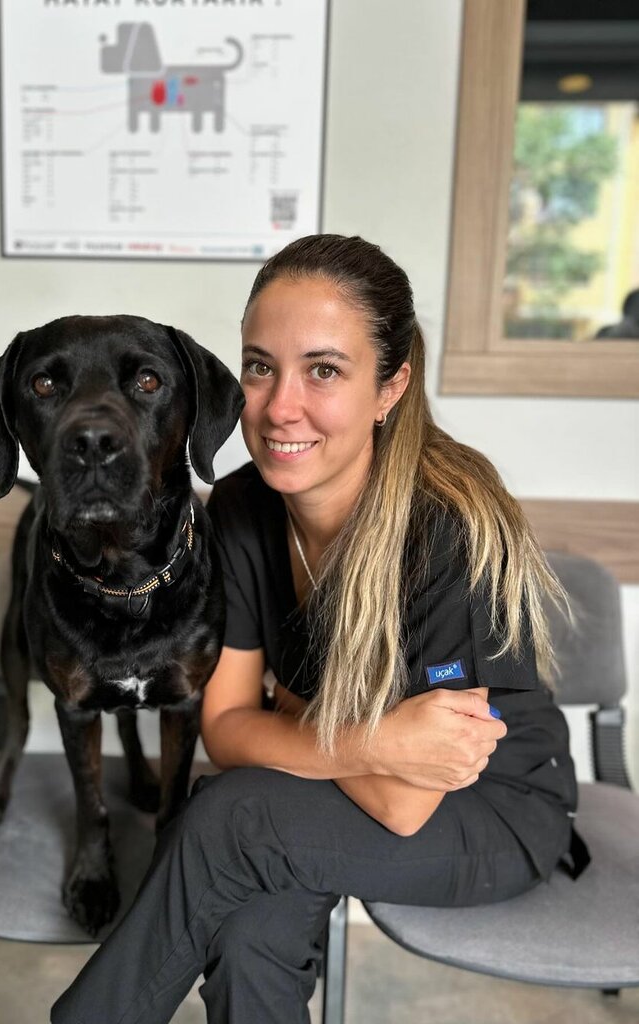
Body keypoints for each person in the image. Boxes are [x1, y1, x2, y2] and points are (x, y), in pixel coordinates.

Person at [51, 234, 581, 1024]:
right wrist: (373, 739)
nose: (277, 407)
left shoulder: (447, 529)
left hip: (489, 808)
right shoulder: (235, 510)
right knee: (250, 932)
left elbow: (406, 805)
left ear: (390, 387)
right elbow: (227, 731)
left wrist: (289, 715)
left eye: (323, 370)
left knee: (227, 816)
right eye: (260, 366)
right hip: (328, 790)